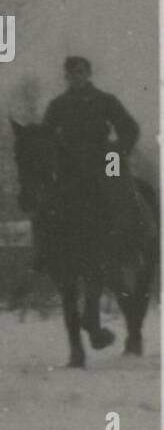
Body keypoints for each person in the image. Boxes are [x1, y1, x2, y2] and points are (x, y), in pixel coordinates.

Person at [40, 55, 145, 270]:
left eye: (80, 72)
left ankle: (132, 245)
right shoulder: (58, 105)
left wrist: (118, 149)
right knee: (47, 202)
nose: (75, 77)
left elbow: (130, 128)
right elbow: (45, 136)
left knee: (119, 191)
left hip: (105, 159)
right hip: (71, 165)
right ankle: (45, 252)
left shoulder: (106, 100)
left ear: (88, 74)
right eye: (71, 74)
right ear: (66, 77)